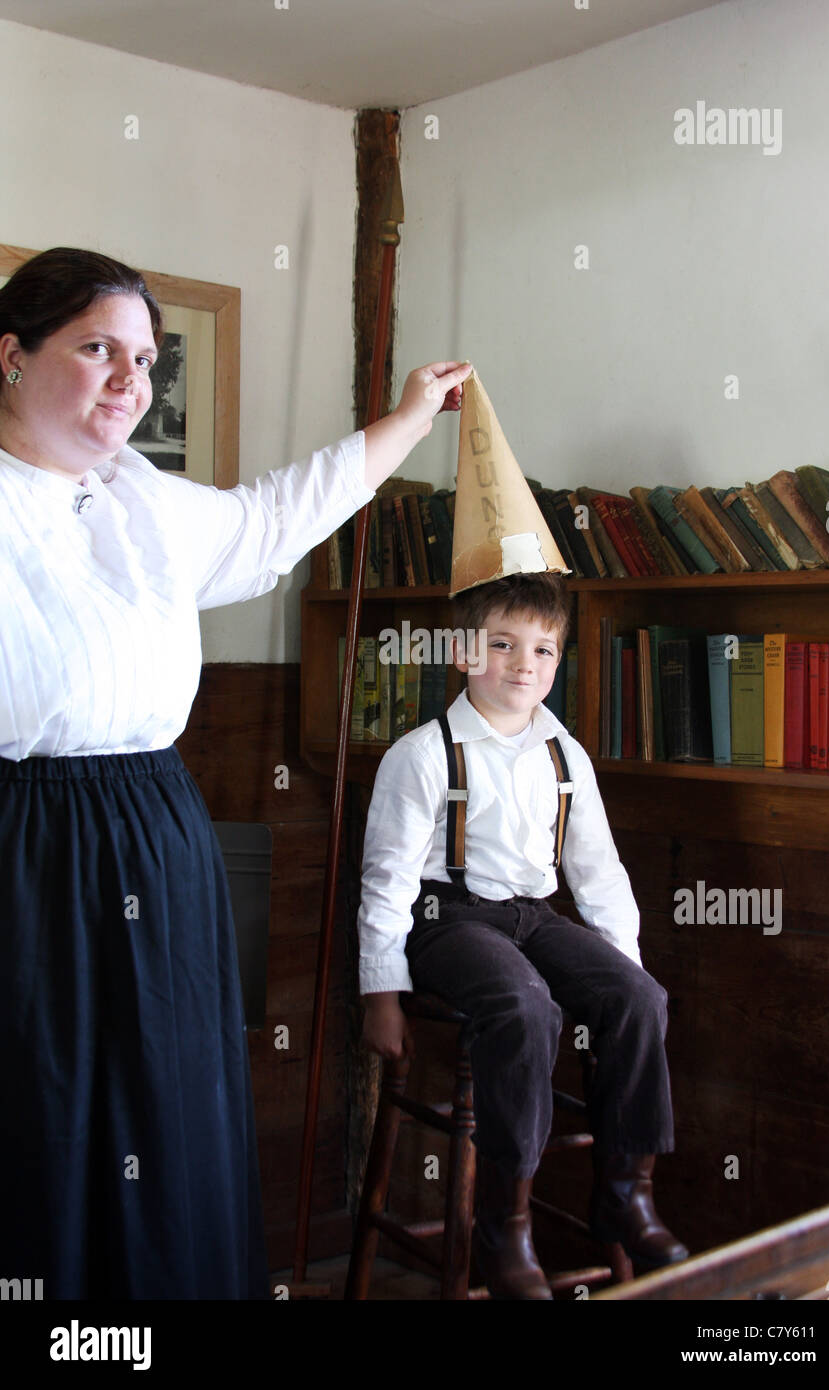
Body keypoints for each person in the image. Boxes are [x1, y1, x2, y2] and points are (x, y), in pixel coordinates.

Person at [0, 245, 473, 1300]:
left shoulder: (143, 502)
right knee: (46, 1108)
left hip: (158, 835)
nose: (132, 380)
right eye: (96, 349)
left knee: (165, 1104)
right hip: (27, 850)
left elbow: (276, 515)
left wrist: (403, 421)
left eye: (146, 356)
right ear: (11, 356)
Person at [358, 571, 689, 1299]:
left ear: (558, 663)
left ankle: (627, 1193)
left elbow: (598, 872)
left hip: (536, 916)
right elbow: (387, 880)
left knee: (641, 999)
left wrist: (618, 973)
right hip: (448, 917)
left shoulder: (565, 756)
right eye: (502, 644)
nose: (522, 665)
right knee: (523, 1004)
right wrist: (380, 990)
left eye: (543, 651)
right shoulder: (421, 755)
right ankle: (504, 1224)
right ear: (462, 652)